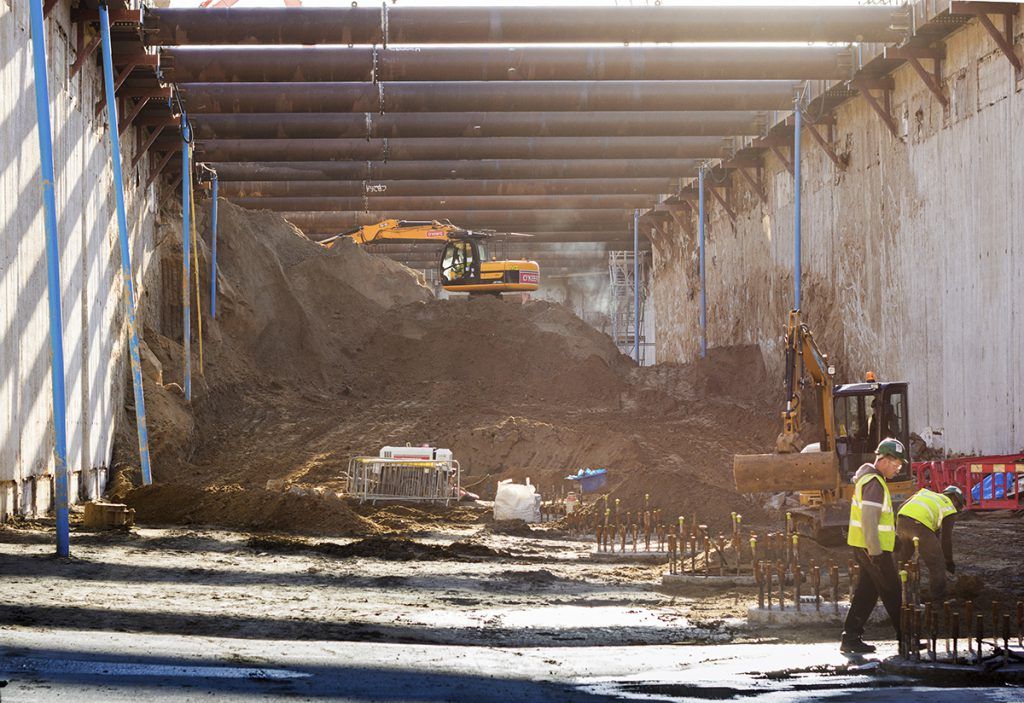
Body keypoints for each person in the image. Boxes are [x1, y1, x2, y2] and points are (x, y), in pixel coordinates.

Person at [840, 437, 907, 654]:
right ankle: (907, 638)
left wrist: (891, 539)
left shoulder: (871, 480)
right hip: (872, 549)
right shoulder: (874, 483)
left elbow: (879, 520)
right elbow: (869, 519)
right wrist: (876, 552)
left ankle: (850, 638)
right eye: (896, 464)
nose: (898, 469)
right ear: (885, 459)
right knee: (892, 590)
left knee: (867, 592)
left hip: (865, 546)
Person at [894, 485, 964, 601]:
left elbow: (901, 506)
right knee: (937, 563)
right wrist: (948, 562)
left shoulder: (925, 493)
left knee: (899, 561)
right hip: (920, 525)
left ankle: (894, 593)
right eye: (958, 506)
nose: (956, 509)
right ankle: (939, 598)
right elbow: (946, 540)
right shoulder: (949, 507)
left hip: (902, 520)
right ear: (955, 499)